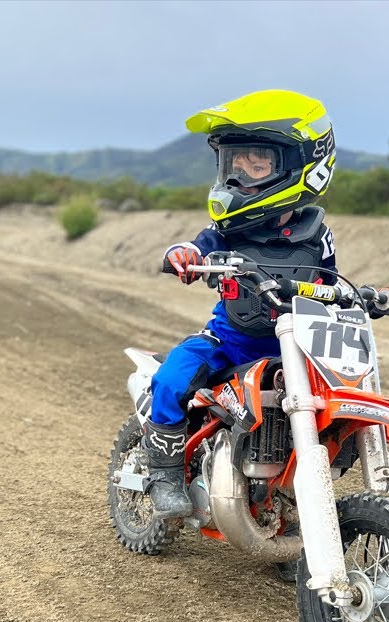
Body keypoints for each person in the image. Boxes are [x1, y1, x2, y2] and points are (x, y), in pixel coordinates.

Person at [142, 89, 348, 519]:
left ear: (301, 165)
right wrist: (186, 254)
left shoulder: (317, 235)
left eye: (257, 166)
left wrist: (368, 294)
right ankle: (163, 473)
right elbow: (198, 244)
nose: (239, 178)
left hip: (296, 348)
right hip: (229, 340)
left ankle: (291, 500)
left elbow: (333, 284)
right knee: (173, 376)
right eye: (234, 166)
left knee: (337, 403)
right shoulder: (228, 229)